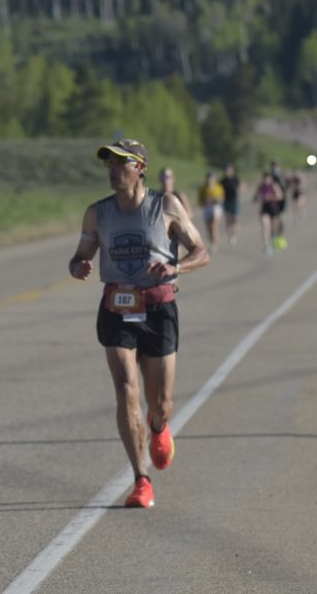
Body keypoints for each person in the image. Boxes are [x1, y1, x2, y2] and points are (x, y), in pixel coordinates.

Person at [68, 139, 209, 509]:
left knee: (160, 402)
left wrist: (176, 267)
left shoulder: (165, 206)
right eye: (109, 164)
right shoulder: (97, 214)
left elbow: (202, 252)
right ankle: (140, 479)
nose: (113, 170)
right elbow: (79, 256)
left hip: (159, 308)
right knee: (126, 388)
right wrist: (79, 266)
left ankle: (159, 427)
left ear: (140, 167)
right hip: (117, 306)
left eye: (121, 163)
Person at [254, 170, 285, 253]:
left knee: (274, 228)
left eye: (268, 178)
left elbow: (280, 196)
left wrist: (270, 197)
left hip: (274, 209)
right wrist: (259, 198)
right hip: (265, 209)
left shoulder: (274, 186)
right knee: (265, 226)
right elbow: (256, 197)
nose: (266, 180)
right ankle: (266, 245)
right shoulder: (261, 186)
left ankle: (274, 241)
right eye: (265, 178)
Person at [197, 170, 224, 249]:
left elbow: (222, 198)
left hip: (216, 207)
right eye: (208, 178)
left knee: (213, 225)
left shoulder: (218, 187)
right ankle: (212, 240)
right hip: (207, 208)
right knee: (208, 227)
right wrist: (205, 201)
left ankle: (214, 244)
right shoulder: (203, 188)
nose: (210, 180)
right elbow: (200, 199)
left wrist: (215, 199)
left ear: (215, 179)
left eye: (211, 178)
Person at [218, 163, 242, 246]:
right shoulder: (222, 181)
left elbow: (240, 188)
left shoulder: (236, 179)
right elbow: (219, 190)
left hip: (234, 201)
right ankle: (230, 236)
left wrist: (239, 191)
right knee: (228, 219)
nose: (228, 172)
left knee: (235, 219)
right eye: (226, 170)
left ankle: (233, 234)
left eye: (229, 170)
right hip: (226, 201)